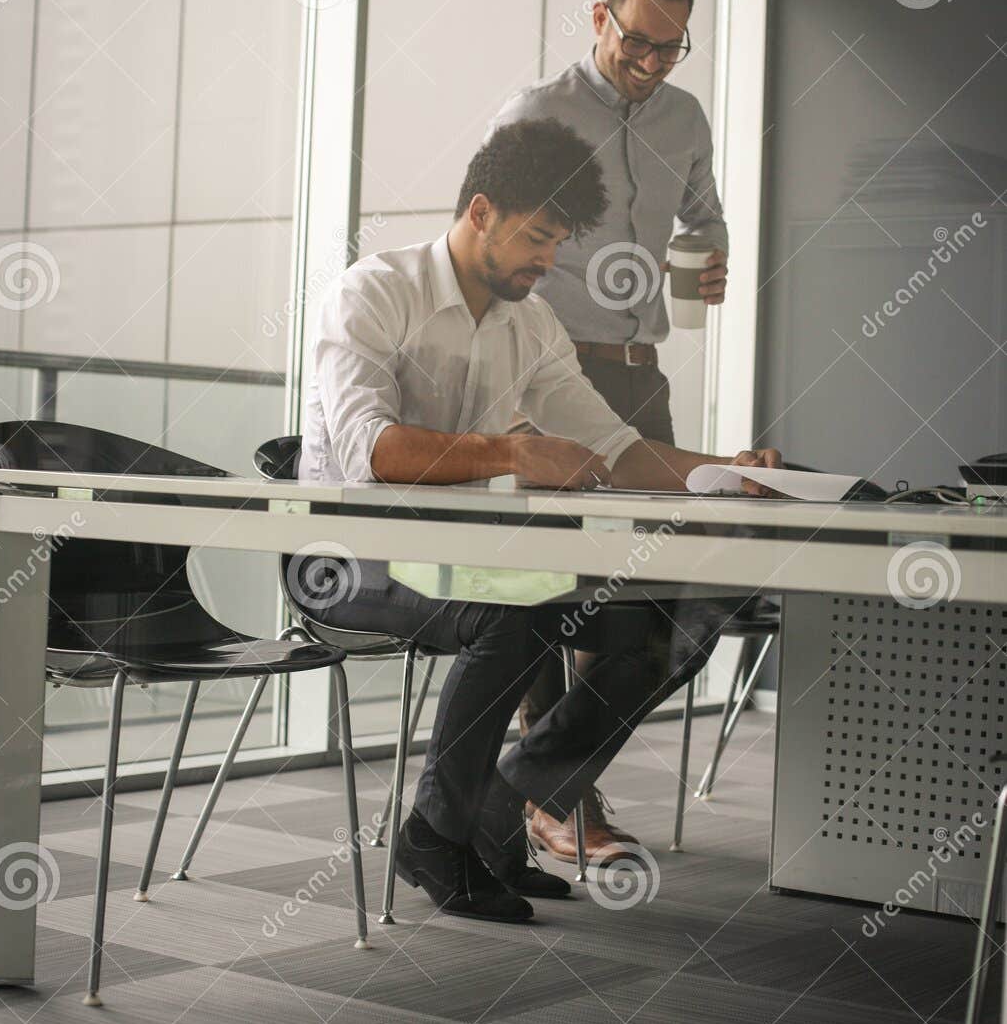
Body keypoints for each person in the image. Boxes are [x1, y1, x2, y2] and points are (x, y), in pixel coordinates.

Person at [292, 118, 780, 924]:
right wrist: (512, 453)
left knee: (666, 617)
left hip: (458, 559)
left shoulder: (531, 324)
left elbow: (617, 451)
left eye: (558, 243)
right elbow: (371, 451)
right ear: (481, 211)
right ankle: (438, 834)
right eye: (538, 237)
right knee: (509, 614)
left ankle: (505, 798)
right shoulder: (373, 292)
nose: (548, 260)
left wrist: (727, 471)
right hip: (343, 558)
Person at [487, 0, 729, 864]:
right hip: (549, 374)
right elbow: (488, 240)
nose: (651, 62)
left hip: (639, 371)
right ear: (599, 17)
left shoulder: (684, 116)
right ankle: (561, 801)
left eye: (671, 47)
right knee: (554, 588)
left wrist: (705, 261)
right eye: (637, 41)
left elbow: (703, 215)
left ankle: (529, 783)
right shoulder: (537, 113)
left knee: (653, 593)